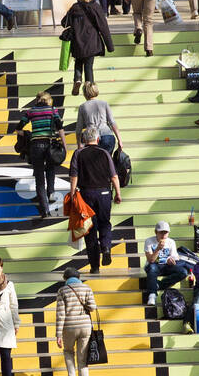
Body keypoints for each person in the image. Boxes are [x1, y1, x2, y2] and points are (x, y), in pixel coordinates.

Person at [67, 127, 121, 274]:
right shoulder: (104, 153)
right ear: (98, 139)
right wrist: (118, 193)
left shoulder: (78, 153)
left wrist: (72, 194)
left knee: (89, 229)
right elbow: (114, 176)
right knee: (105, 223)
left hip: (86, 194)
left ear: (84, 140)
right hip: (104, 192)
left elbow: (74, 176)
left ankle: (94, 267)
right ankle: (106, 247)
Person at [60, 0, 114, 95]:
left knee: (78, 62)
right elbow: (103, 26)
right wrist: (110, 46)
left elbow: (64, 22)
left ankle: (77, 79)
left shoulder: (75, 7)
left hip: (77, 41)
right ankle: (89, 88)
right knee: (89, 66)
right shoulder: (96, 8)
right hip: (91, 42)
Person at [19, 93, 65, 219]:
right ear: (47, 100)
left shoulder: (31, 111)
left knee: (39, 179)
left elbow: (18, 128)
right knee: (50, 169)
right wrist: (64, 145)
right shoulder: (52, 110)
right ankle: (51, 193)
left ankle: (44, 210)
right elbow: (60, 127)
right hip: (50, 145)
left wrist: (28, 133)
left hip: (35, 146)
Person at [54, 268, 95, 376]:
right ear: (78, 277)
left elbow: (60, 314)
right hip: (85, 327)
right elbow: (92, 307)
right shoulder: (86, 288)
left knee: (68, 351)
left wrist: (58, 334)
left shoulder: (62, 291)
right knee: (83, 362)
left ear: (65, 279)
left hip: (69, 327)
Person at [143, 220, 188, 308]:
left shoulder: (171, 242)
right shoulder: (149, 241)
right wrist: (158, 248)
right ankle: (152, 294)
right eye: (161, 232)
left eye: (166, 232)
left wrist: (171, 260)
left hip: (167, 266)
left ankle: (159, 285)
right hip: (153, 265)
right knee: (152, 268)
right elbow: (151, 260)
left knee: (183, 272)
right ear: (156, 232)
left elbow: (175, 257)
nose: (163, 235)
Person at [76, 82, 122, 156]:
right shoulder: (104, 104)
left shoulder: (82, 107)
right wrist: (119, 140)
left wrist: (79, 144)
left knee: (94, 164)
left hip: (91, 138)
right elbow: (112, 122)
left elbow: (79, 128)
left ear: (85, 93)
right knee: (106, 161)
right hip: (107, 135)